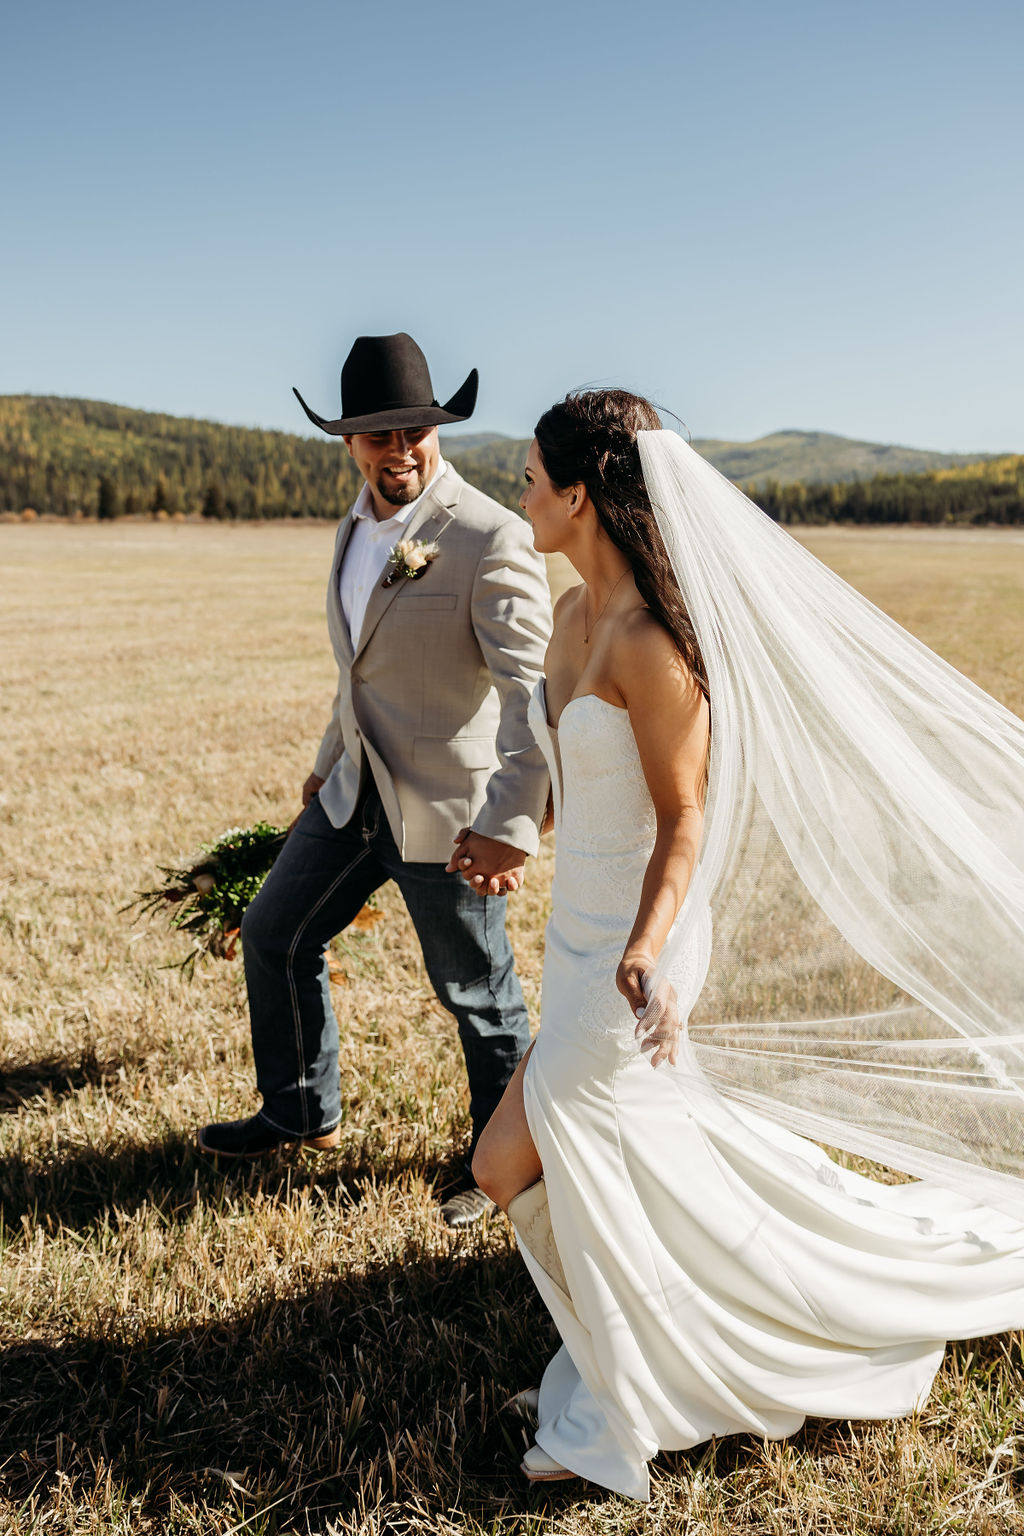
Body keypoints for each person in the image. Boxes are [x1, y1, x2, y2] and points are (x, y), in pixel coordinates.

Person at [461, 389, 1024, 1498]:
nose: (518, 491)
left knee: (504, 1159)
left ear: (579, 498)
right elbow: (587, 785)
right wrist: (510, 836)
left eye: (529, 477)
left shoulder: (655, 648)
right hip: (577, 939)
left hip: (642, 945)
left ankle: (636, 1396)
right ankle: (628, 1350)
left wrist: (646, 950)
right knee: (549, 1166)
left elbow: (685, 822)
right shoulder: (572, 621)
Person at [198, 333, 552, 1230]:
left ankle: (497, 1164)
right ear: (348, 443)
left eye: (413, 432)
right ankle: (299, 1109)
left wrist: (513, 818)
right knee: (276, 933)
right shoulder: (354, 527)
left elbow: (530, 694)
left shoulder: (488, 535)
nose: (399, 452)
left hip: (448, 812)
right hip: (354, 793)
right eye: (377, 436)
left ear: (438, 430)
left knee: (478, 993)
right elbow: (358, 669)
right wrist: (326, 758)